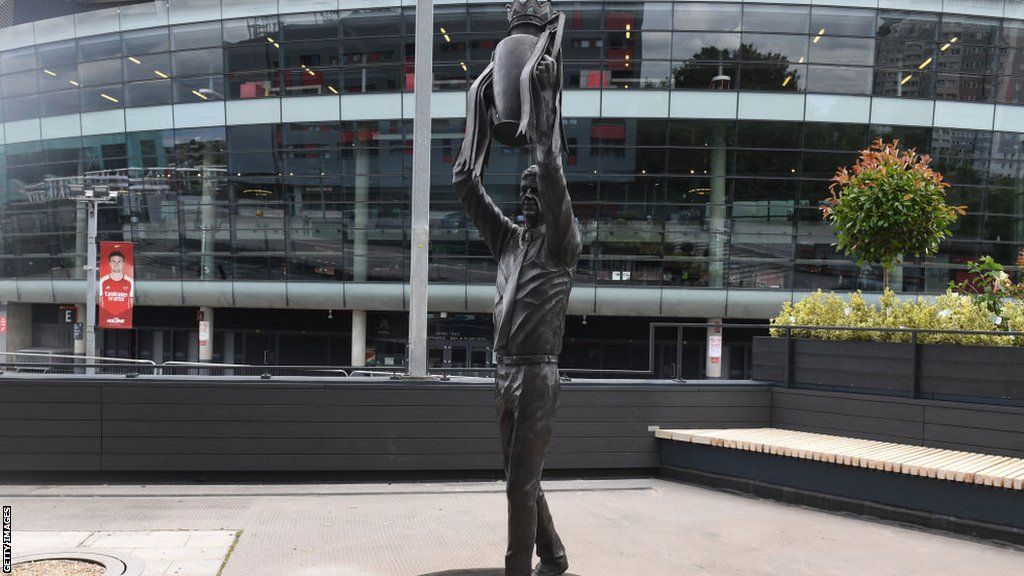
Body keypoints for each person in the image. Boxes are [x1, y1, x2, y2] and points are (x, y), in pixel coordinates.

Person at [453, 56, 581, 576]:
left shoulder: (561, 245)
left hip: (537, 374)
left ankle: (517, 570)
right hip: (503, 372)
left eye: (537, 194)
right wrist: (478, 103)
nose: (529, 197)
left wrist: (542, 105)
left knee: (519, 484)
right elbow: (465, 180)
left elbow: (549, 170)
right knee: (517, 476)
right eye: (523, 192)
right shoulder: (507, 241)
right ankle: (553, 553)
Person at [99, 250, 134, 326]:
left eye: (119, 261)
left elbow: (131, 302)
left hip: (124, 316)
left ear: (123, 264)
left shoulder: (130, 281)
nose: (116, 264)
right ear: (109, 263)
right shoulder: (103, 281)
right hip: (107, 316)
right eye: (113, 261)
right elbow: (100, 301)